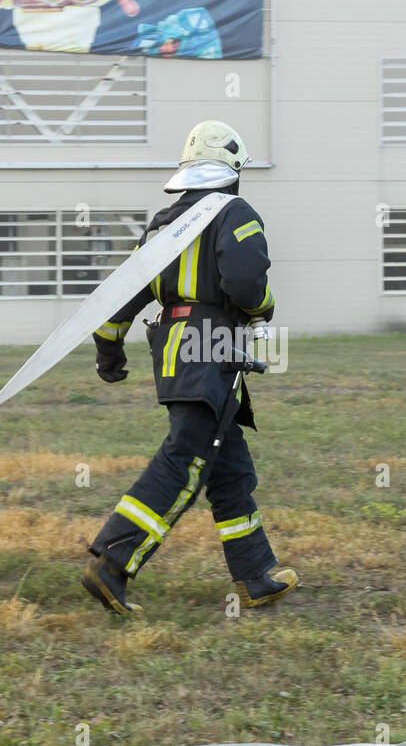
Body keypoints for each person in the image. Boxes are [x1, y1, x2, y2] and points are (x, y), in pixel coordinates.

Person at [81, 120, 298, 615]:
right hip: (211, 347)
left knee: (229, 468)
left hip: (177, 349)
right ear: (233, 172)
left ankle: (256, 575)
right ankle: (112, 562)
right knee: (186, 461)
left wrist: (109, 352)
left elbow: (121, 297)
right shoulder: (235, 212)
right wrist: (264, 308)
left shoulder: (162, 224)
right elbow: (246, 286)